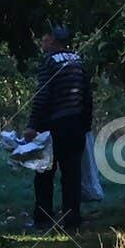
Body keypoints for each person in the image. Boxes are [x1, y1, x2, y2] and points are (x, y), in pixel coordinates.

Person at [23, 24, 92, 232]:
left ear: (52, 39)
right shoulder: (78, 62)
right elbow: (88, 97)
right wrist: (85, 126)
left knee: (44, 174)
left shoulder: (50, 63)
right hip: (76, 126)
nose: (42, 41)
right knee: (72, 175)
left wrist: (32, 125)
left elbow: (42, 96)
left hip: (53, 126)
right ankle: (72, 221)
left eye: (44, 37)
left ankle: (43, 219)